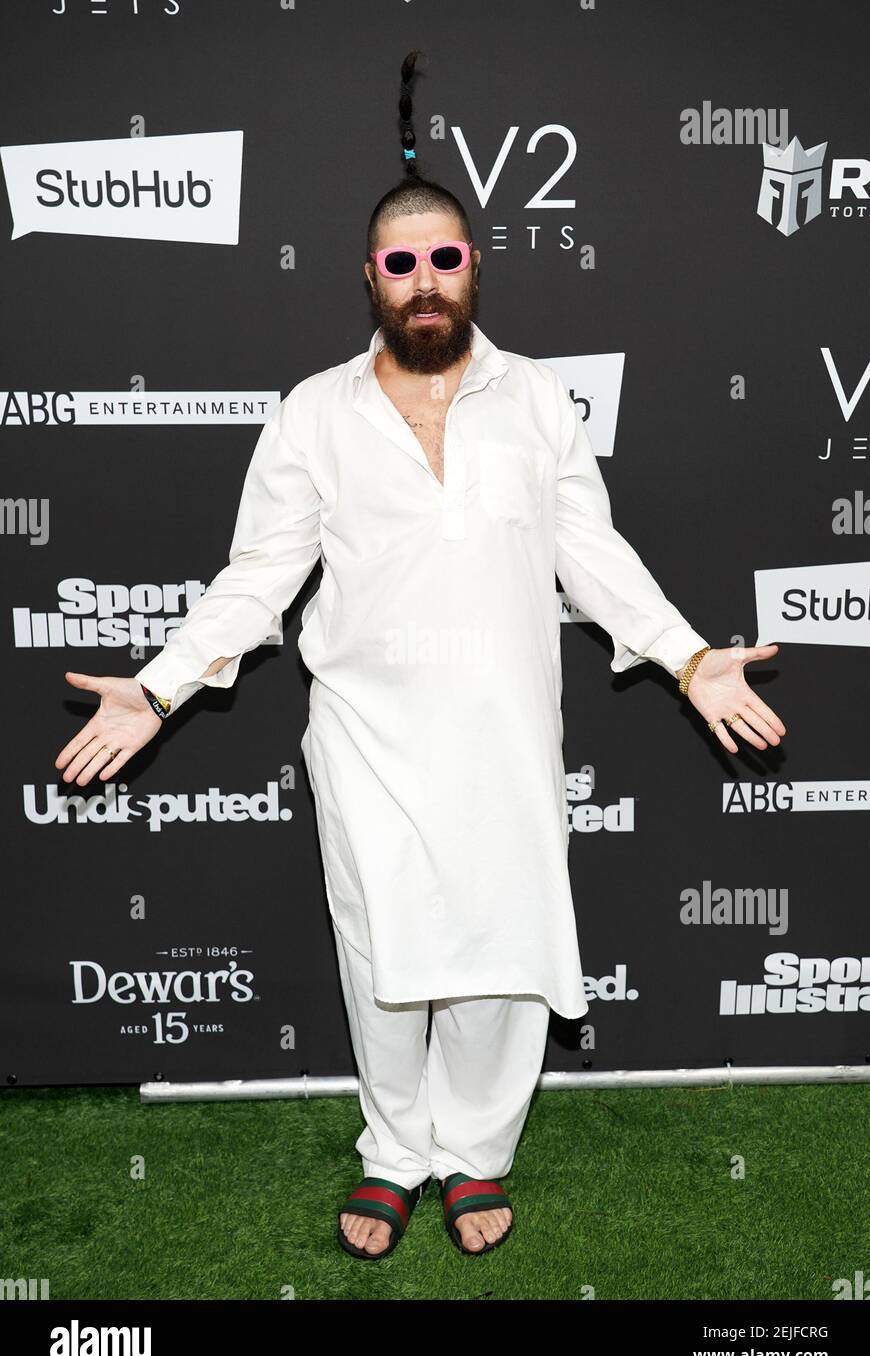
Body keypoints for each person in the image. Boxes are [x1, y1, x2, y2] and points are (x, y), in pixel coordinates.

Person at [54, 52, 785, 1260]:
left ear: (474, 264)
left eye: (444, 257)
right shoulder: (311, 412)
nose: (425, 280)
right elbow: (257, 579)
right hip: (365, 734)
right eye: (402, 262)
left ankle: (475, 1154)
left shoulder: (541, 401)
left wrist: (687, 654)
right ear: (371, 278)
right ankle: (396, 1151)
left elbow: (591, 558)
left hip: (502, 730)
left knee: (499, 958)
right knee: (383, 955)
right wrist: (157, 682)